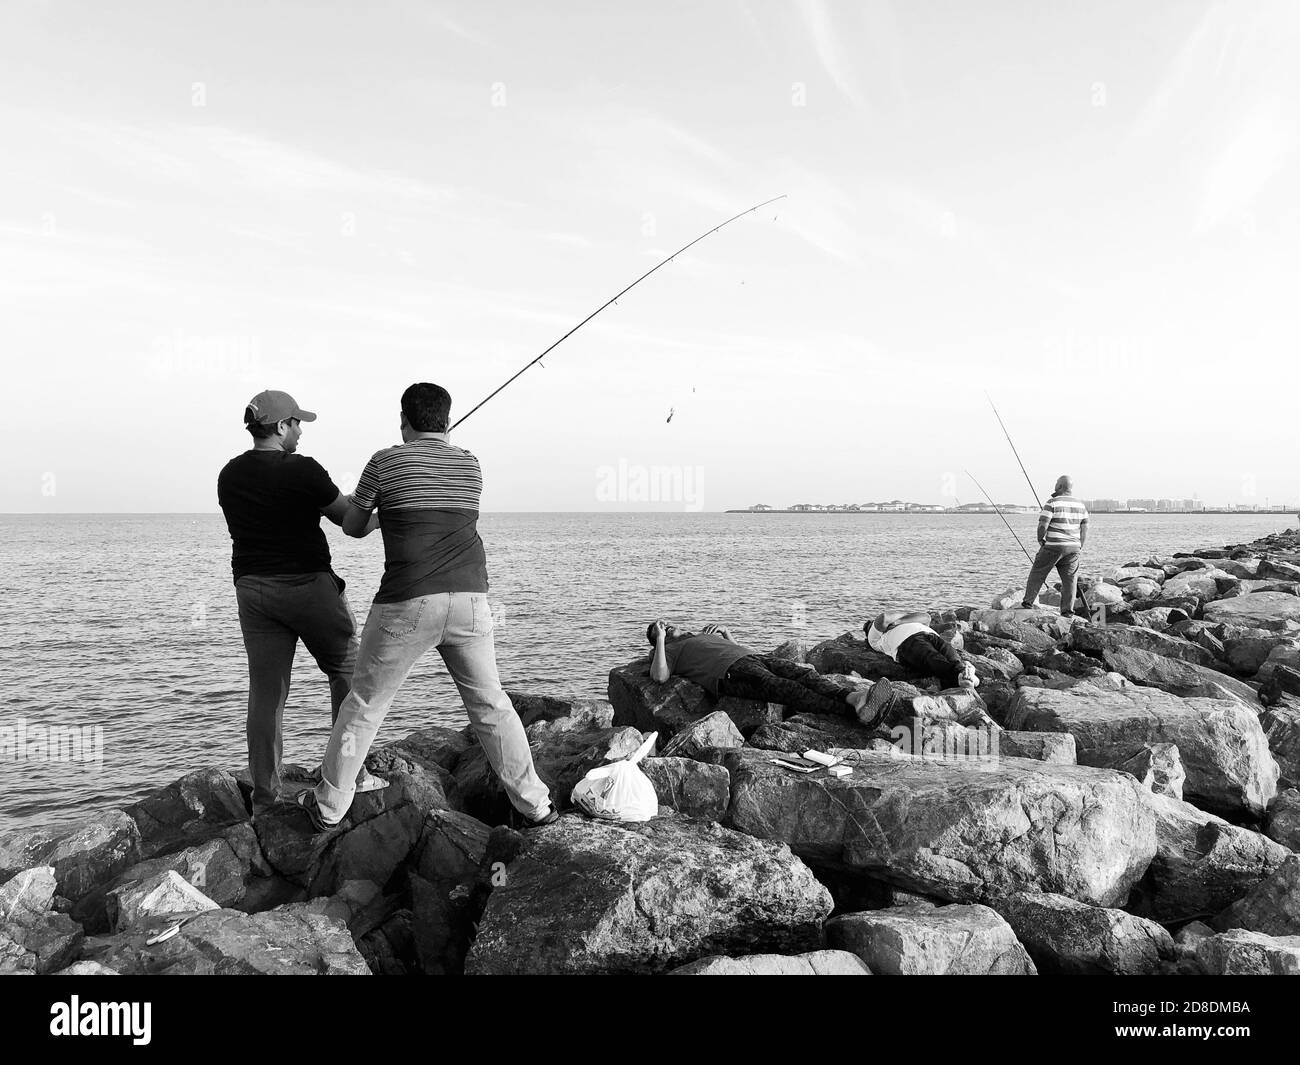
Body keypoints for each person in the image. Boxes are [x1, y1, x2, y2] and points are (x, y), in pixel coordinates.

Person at [299, 383, 556, 831]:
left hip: (407, 602)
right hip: (472, 600)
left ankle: (328, 806)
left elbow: (355, 527)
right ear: (447, 419)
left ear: (404, 418)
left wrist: (384, 510)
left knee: (364, 704)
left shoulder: (385, 460)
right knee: (491, 704)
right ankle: (535, 806)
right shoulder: (471, 465)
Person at [217, 389, 385, 816]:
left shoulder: (229, 475)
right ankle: (351, 777)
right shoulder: (304, 471)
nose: (300, 431)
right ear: (279, 427)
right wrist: (388, 507)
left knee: (266, 693)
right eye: (296, 423)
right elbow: (352, 522)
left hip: (253, 590)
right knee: (347, 672)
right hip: (308, 587)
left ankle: (266, 797)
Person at [646, 621, 898, 728]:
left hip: (751, 658)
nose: (667, 625)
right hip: (729, 673)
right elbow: (659, 677)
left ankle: (855, 698)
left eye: (666, 623)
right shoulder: (667, 649)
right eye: (661, 627)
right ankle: (856, 711)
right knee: (786, 689)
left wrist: (726, 632)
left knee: (804, 675)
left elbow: (735, 648)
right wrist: (659, 639)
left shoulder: (698, 636)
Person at [1021, 475, 1089, 616]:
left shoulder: (1052, 503)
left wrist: (1040, 539)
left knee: (1038, 572)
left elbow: (1043, 524)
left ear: (1059, 486)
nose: (1055, 485)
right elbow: (1084, 529)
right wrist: (1079, 545)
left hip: (1053, 546)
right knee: (1070, 579)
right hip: (1073, 548)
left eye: (1056, 483)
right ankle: (1067, 611)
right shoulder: (1081, 505)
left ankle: (1028, 602)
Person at [865, 610, 977, 691]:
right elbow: (884, 617)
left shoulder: (899, 623)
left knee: (951, 655)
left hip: (932, 636)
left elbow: (926, 617)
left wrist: (897, 622)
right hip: (907, 642)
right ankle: (968, 676)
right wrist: (897, 621)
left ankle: (965, 675)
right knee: (933, 658)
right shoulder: (873, 639)